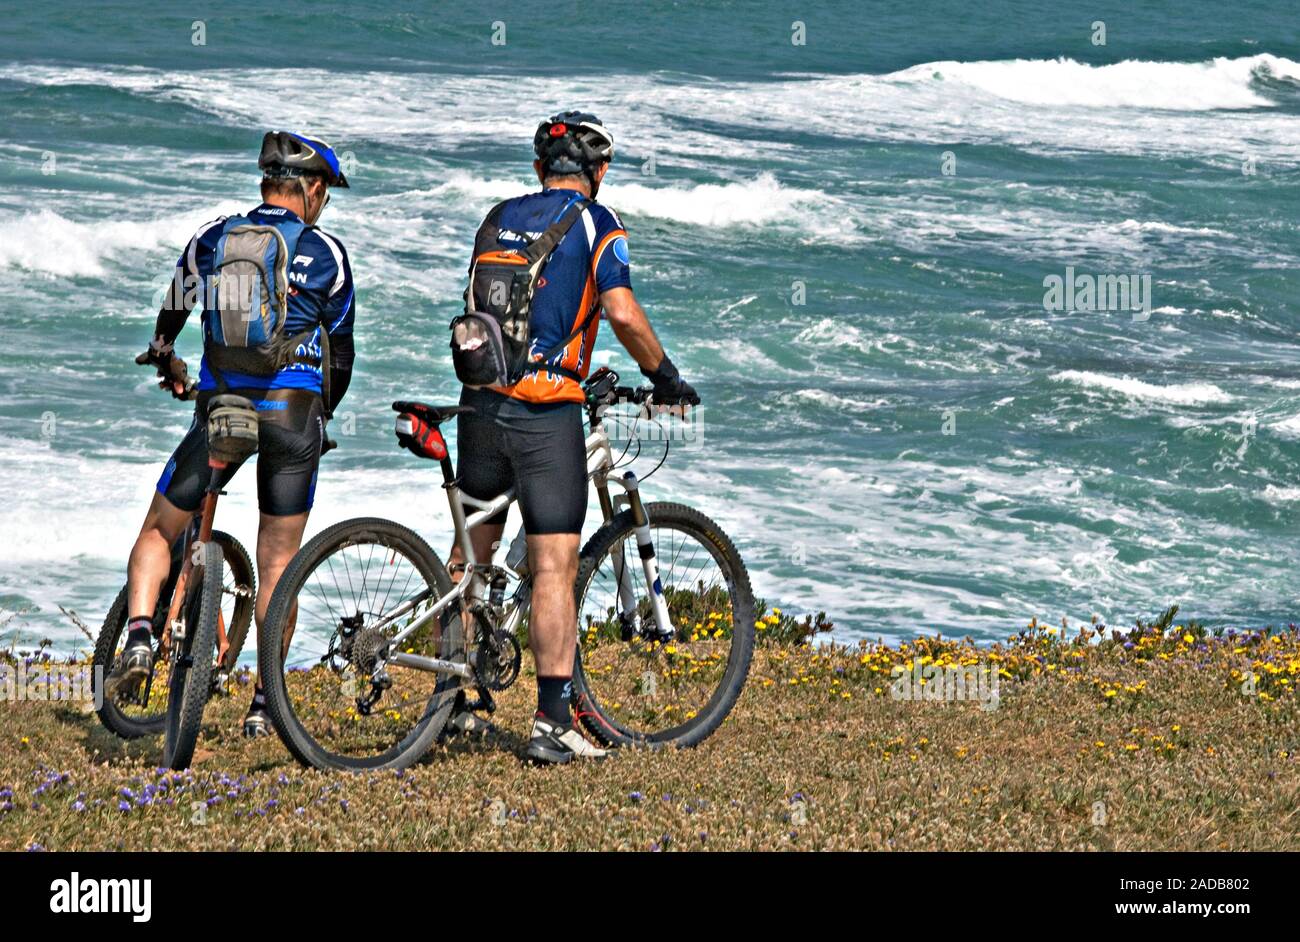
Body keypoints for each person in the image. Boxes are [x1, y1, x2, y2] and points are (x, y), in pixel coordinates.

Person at [448, 111, 698, 764]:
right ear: (600, 172)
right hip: (544, 411)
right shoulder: (597, 223)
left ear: (539, 170)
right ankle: (552, 724)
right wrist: (666, 377)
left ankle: (454, 702)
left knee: (471, 557)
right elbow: (619, 310)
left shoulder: (497, 217)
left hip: (479, 404)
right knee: (555, 567)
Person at [106, 131, 357, 737]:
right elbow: (341, 360)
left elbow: (170, 318)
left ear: (265, 184)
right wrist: (317, 421)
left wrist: (167, 362)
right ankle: (265, 705)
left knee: (160, 531)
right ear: (314, 190)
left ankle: (140, 636)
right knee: (278, 563)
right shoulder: (327, 254)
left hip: (223, 411)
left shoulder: (214, 239)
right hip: (292, 415)